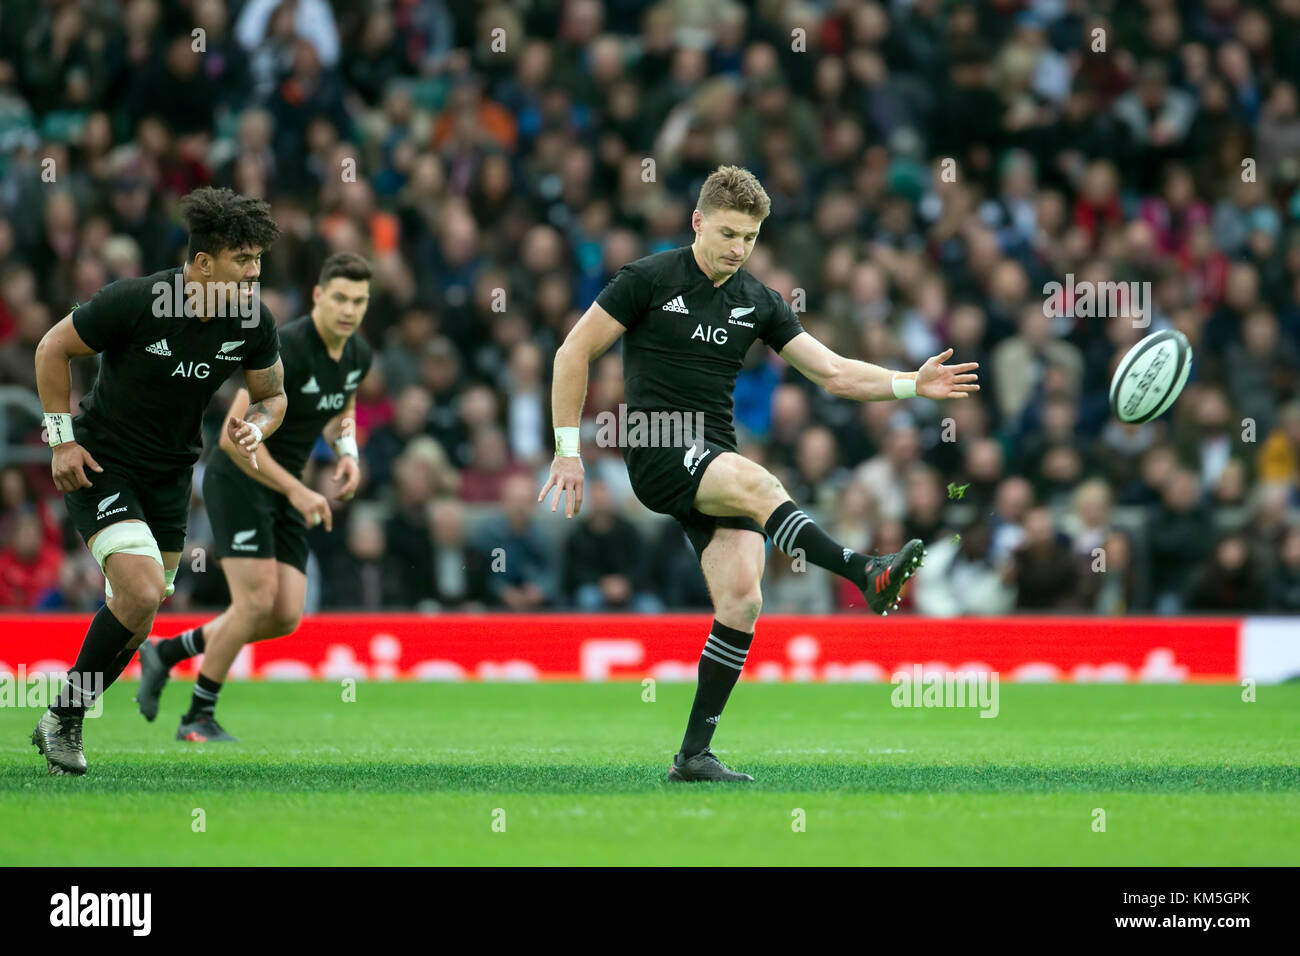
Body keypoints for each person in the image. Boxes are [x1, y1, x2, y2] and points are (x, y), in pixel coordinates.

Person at [539, 166, 979, 782]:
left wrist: (910, 383)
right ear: (697, 222)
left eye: (748, 238)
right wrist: (567, 450)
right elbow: (572, 352)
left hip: (712, 456)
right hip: (658, 446)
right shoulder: (647, 279)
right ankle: (865, 572)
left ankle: (692, 756)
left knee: (743, 598)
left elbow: (832, 373)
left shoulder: (758, 300)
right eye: (726, 233)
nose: (736, 248)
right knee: (763, 484)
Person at [31, 187, 285, 775]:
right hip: (102, 462)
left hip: (171, 475)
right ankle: (69, 720)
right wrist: (61, 439)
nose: (254, 274)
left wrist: (259, 427)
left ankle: (61, 715)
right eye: (242, 261)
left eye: (258, 262)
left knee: (139, 610)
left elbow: (273, 395)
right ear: (202, 264)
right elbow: (51, 348)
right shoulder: (137, 301)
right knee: (142, 592)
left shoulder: (252, 320)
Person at [137, 253, 374, 742]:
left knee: (284, 614)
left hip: (287, 486)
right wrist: (300, 490)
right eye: (342, 298)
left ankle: (167, 652)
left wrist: (346, 450)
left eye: (360, 301)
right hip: (242, 476)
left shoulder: (357, 356)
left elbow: (340, 406)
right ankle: (197, 717)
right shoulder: (288, 344)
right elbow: (231, 434)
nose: (350, 309)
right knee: (255, 601)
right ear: (318, 297)